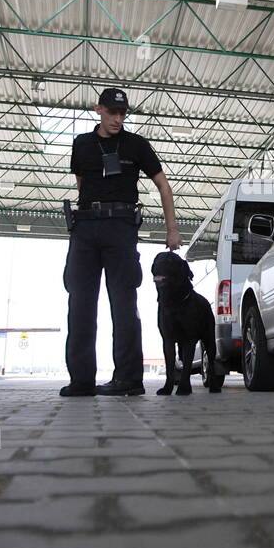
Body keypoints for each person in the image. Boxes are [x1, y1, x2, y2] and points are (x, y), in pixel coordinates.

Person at [61, 88, 181, 396]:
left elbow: (163, 185)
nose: (117, 119)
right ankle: (81, 381)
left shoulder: (136, 144)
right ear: (98, 109)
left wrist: (172, 229)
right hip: (85, 228)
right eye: (112, 112)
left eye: (122, 113)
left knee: (124, 303)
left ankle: (128, 379)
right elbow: (82, 184)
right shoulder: (82, 144)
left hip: (121, 227)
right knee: (80, 303)